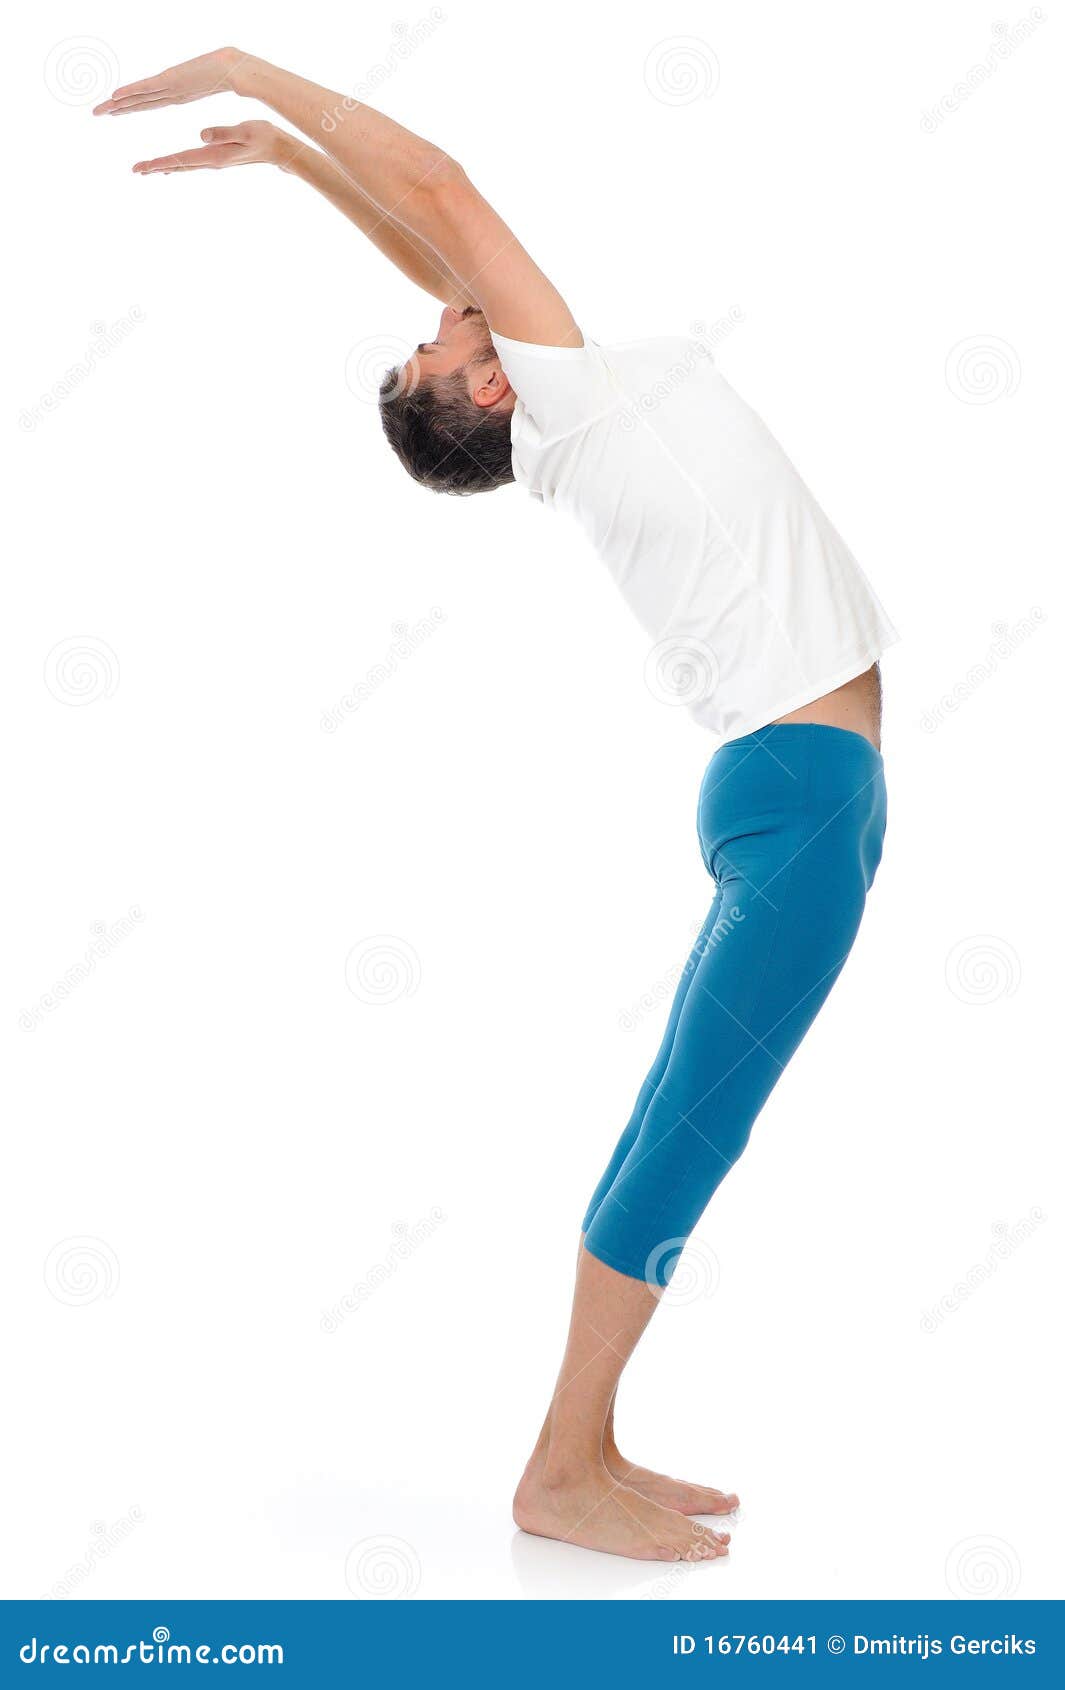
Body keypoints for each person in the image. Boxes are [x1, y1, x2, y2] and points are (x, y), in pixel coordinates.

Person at [95, 47, 898, 1564]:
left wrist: (289, 161)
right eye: (432, 347)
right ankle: (555, 1468)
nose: (443, 313)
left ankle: (588, 1443)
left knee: (679, 1114)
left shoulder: (567, 412)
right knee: (690, 1129)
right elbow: (446, 196)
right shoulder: (582, 413)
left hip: (799, 787)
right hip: (800, 794)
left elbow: (431, 238)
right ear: (482, 389)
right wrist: (254, 68)